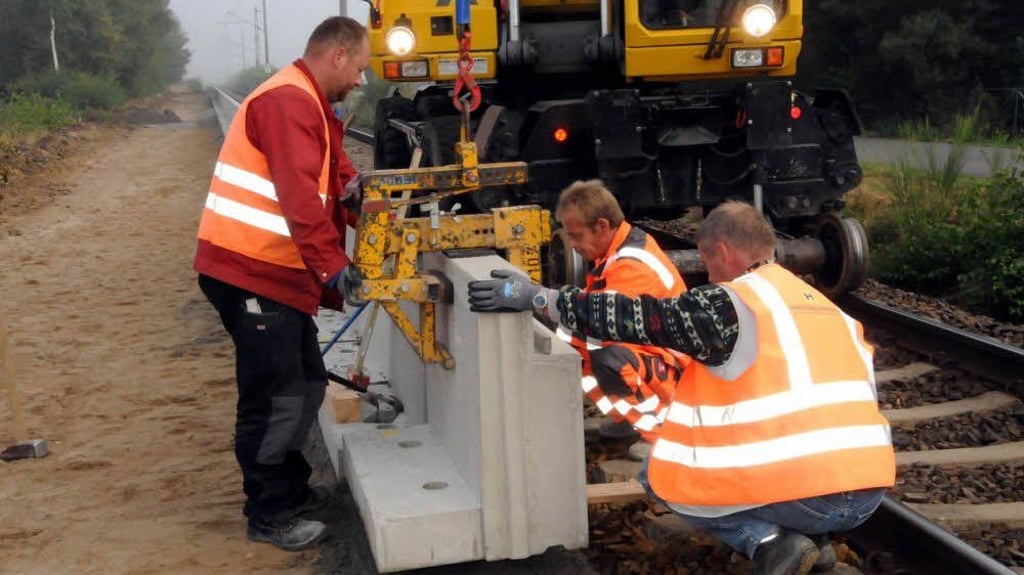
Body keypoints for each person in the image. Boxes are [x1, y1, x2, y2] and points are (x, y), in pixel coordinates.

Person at [468, 201, 895, 575]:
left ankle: (768, 541)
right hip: (866, 495)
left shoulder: (730, 304)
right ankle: (815, 541)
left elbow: (632, 317)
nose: (709, 275)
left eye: (708, 263)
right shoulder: (829, 311)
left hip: (805, 495)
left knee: (659, 475)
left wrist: (537, 297)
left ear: (722, 252)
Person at [193, 16, 369, 552]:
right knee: (276, 397)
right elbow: (299, 198)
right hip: (249, 269)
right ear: (337, 55)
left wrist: (368, 204)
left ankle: (291, 489)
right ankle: (268, 513)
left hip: (274, 272)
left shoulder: (309, 102)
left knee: (308, 384)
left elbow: (334, 176)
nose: (361, 80)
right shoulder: (288, 102)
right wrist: (334, 266)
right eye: (359, 68)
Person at [548, 180, 689, 447]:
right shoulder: (617, 251)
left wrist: (538, 300)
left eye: (576, 236)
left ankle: (658, 433)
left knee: (608, 355)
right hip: (659, 354)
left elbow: (601, 318)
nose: (571, 244)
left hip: (675, 370)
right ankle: (629, 417)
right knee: (574, 338)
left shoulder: (632, 266)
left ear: (602, 226)